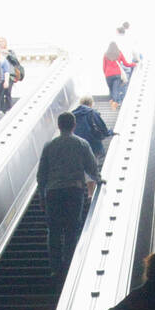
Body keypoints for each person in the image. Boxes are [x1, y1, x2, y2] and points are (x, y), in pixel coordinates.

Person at [36, 111, 104, 277]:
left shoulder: (49, 146)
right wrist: (99, 179)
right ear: (74, 125)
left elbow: (41, 174)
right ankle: (70, 265)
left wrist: (41, 196)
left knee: (54, 230)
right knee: (72, 228)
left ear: (58, 126)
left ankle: (55, 268)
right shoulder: (81, 144)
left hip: (53, 192)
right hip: (74, 191)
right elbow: (91, 166)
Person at [71, 96, 114, 161]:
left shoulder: (72, 115)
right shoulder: (92, 112)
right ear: (91, 103)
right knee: (93, 162)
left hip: (77, 145)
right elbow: (101, 127)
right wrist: (110, 132)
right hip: (93, 144)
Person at [0, 36, 22, 116]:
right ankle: (1, 110)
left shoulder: (10, 52)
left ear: (5, 42)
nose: (0, 43)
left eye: (2, 41)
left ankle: (9, 109)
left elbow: (15, 61)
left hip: (9, 75)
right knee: (0, 93)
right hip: (0, 75)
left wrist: (8, 54)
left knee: (7, 92)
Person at [102, 41, 133, 109]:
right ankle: (115, 103)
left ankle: (113, 101)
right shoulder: (119, 53)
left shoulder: (106, 54)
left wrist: (106, 74)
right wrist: (133, 64)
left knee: (111, 89)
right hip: (117, 74)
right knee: (116, 89)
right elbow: (126, 64)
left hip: (108, 75)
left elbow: (104, 67)